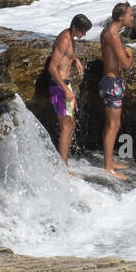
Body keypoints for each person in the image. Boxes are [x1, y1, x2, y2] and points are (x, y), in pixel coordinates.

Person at [46, 13, 91, 168]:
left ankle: (64, 163)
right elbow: (52, 67)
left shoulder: (70, 37)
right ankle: (63, 167)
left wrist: (75, 60)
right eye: (82, 31)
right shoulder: (64, 39)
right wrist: (65, 89)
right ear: (74, 27)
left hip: (65, 85)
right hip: (59, 87)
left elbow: (65, 57)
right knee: (66, 126)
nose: (84, 34)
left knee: (70, 124)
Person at [99, 2, 135, 180]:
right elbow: (126, 65)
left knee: (112, 124)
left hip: (110, 81)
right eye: (130, 15)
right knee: (113, 125)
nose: (132, 18)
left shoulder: (107, 31)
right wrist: (130, 54)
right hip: (112, 83)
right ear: (121, 17)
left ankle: (109, 160)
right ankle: (107, 166)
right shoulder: (113, 35)